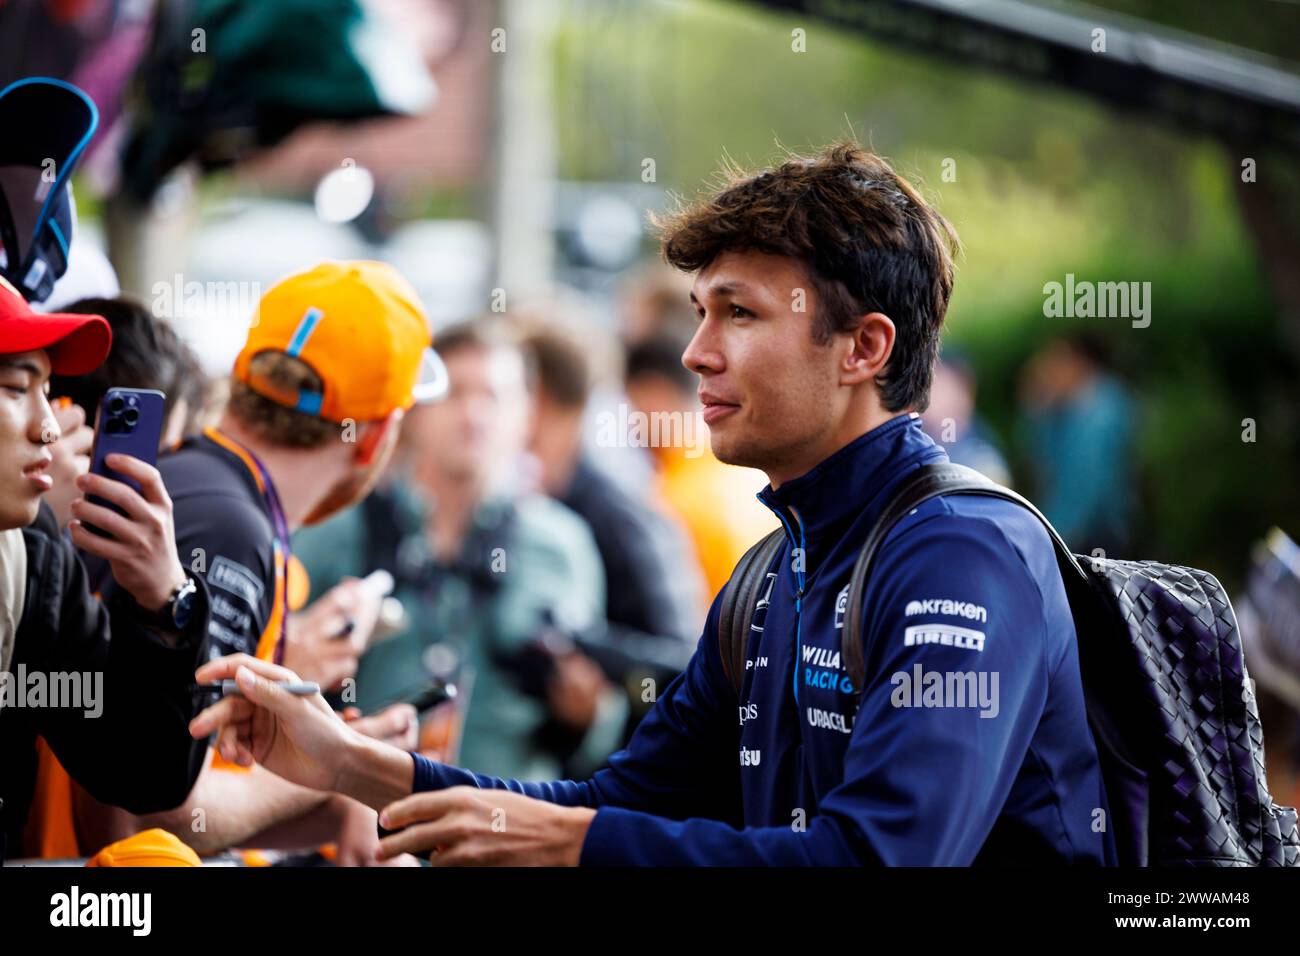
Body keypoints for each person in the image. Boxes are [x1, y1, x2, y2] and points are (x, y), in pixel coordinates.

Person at [191, 143, 1114, 866]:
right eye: (700, 311)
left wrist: (571, 846)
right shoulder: (775, 568)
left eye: (739, 314)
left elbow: (878, 859)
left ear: (863, 347)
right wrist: (349, 765)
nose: (695, 352)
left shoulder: (963, 554)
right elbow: (614, 804)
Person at [76, 261, 439, 862]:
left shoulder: (201, 484)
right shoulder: (230, 528)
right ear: (377, 438)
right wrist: (345, 761)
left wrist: (341, 793)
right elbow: (159, 814)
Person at [294, 321, 625, 780]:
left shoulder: (563, 544)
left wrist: (585, 716)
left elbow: (594, 740)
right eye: (454, 394)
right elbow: (277, 671)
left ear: (527, 416)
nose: (473, 414)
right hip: (359, 826)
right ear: (413, 412)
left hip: (509, 826)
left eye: (493, 397)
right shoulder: (339, 526)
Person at [0, 276, 209, 863]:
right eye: (17, 387)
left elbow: (142, 773)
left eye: (50, 392)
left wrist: (163, 601)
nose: (47, 426)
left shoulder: (30, 551)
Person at [521, 323, 702, 728]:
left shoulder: (616, 516)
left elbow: (682, 669)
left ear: (538, 400)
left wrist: (585, 646)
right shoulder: (535, 503)